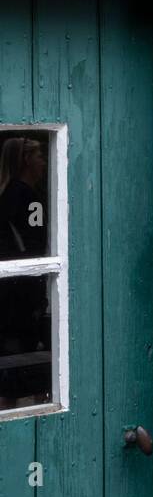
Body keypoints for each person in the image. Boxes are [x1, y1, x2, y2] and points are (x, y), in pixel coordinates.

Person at [0, 135, 52, 407]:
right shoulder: (30, 198)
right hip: (23, 294)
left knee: (9, 374)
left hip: (8, 292)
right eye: (39, 156)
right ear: (26, 161)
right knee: (32, 368)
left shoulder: (6, 194)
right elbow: (35, 248)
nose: (44, 161)